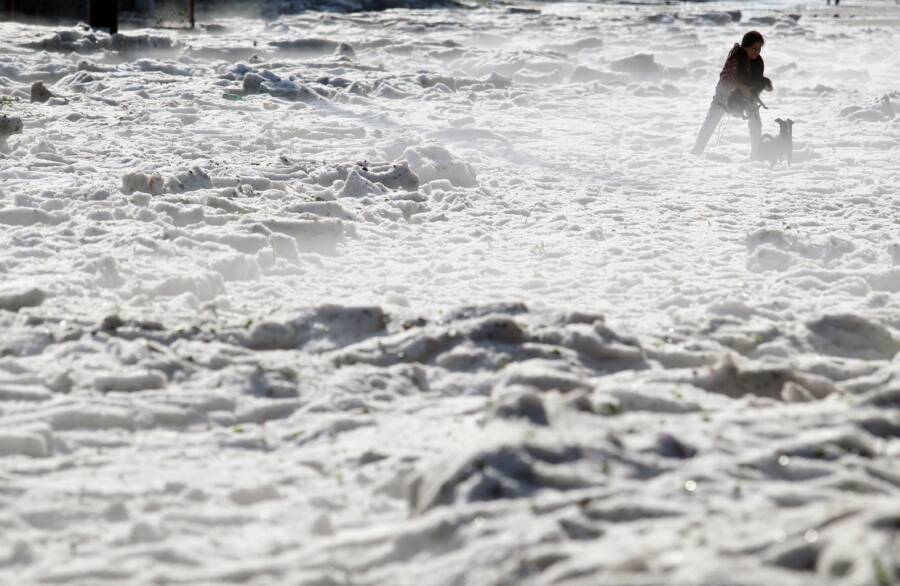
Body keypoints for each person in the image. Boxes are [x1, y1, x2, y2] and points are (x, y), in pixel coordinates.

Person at [691, 31, 773, 158]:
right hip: (725, 92)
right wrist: (741, 87)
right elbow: (727, 76)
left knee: (756, 122)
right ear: (745, 46)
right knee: (711, 121)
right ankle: (696, 152)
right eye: (753, 48)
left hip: (747, 94)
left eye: (759, 49)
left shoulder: (758, 61)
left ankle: (755, 155)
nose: (757, 52)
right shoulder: (736, 57)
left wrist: (759, 87)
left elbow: (757, 80)